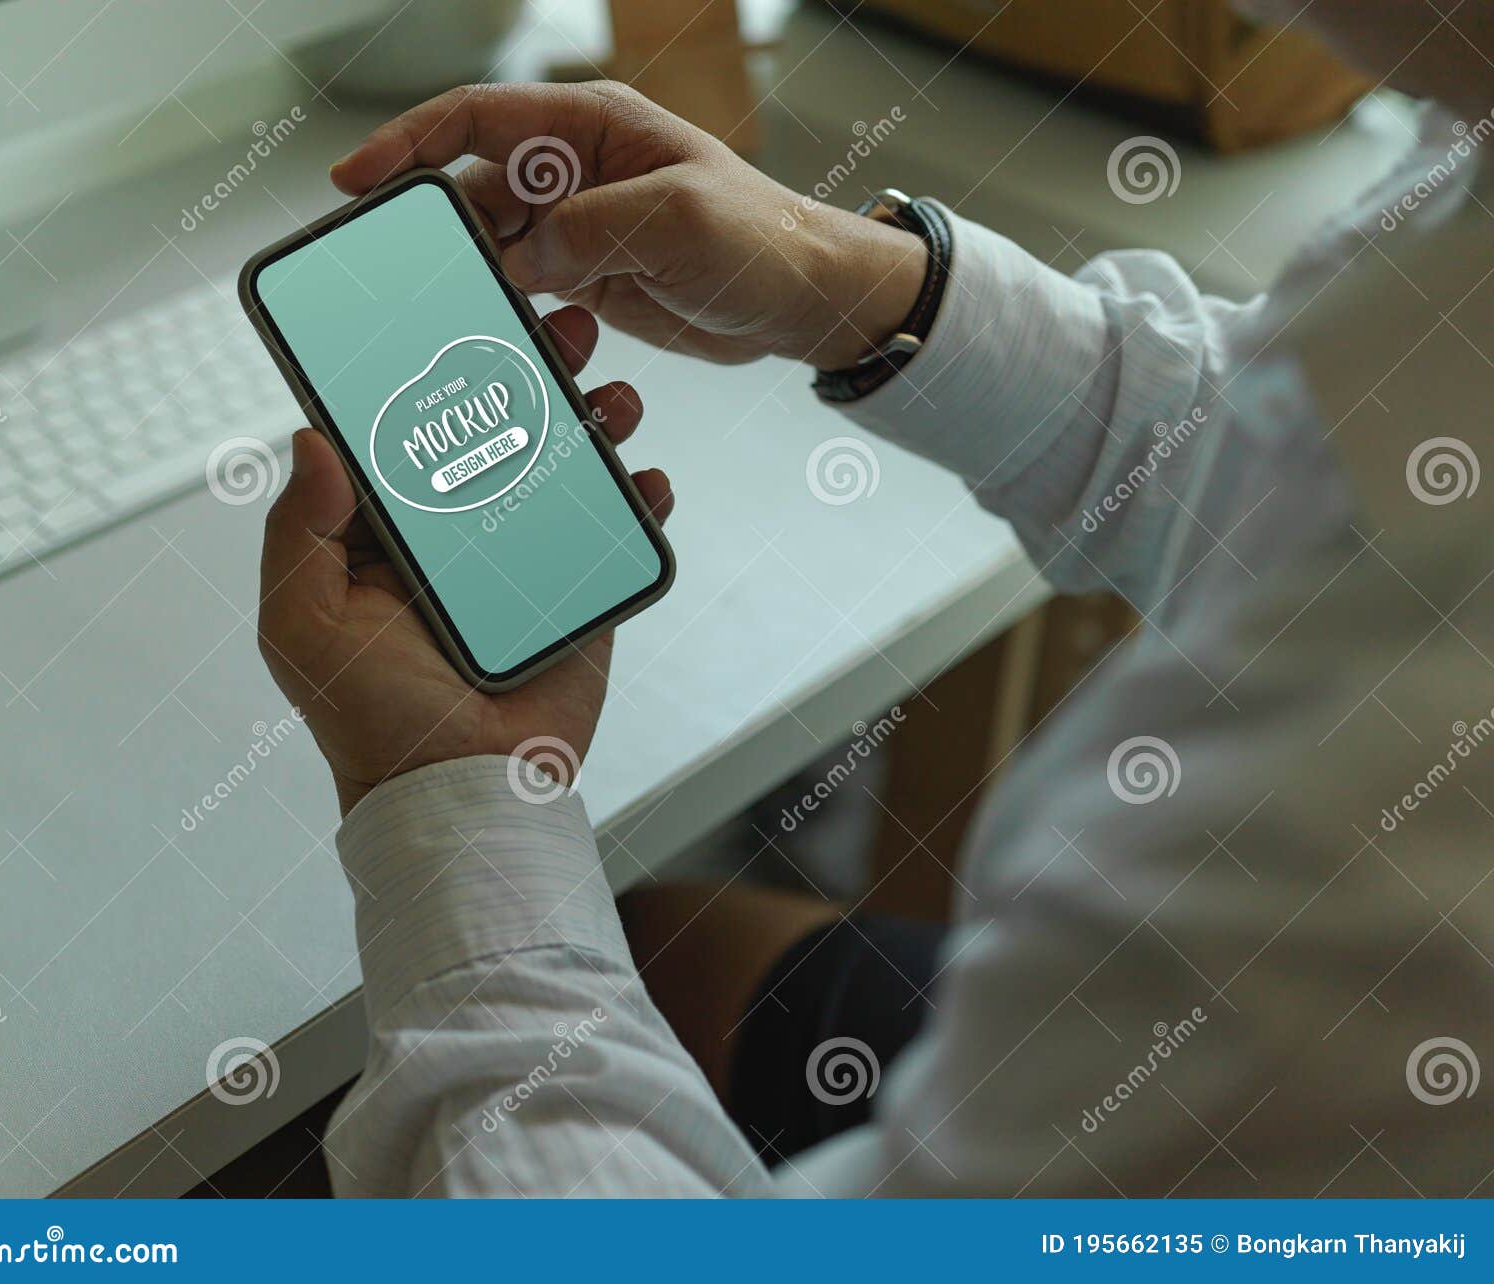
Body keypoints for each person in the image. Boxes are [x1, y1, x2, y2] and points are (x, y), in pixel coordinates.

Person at [255, 0, 1494, 1196]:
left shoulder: (1376, 849)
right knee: (670, 940)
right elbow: (1298, 471)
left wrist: (451, 796)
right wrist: (847, 283)